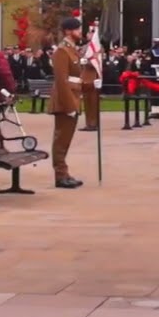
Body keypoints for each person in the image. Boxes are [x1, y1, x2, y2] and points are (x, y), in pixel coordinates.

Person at [48, 16, 85, 189]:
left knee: (66, 139)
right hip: (66, 100)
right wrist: (70, 105)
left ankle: (64, 173)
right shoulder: (62, 50)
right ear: (69, 31)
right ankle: (60, 175)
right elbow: (61, 80)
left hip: (73, 96)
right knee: (61, 139)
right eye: (77, 29)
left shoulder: (71, 49)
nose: (80, 32)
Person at [79, 22, 104, 132]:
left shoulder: (98, 47)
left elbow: (96, 61)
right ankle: (88, 122)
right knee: (87, 101)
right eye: (89, 32)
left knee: (94, 101)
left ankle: (94, 123)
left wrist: (85, 61)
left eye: (91, 32)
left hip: (93, 76)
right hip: (85, 76)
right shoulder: (84, 46)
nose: (88, 34)